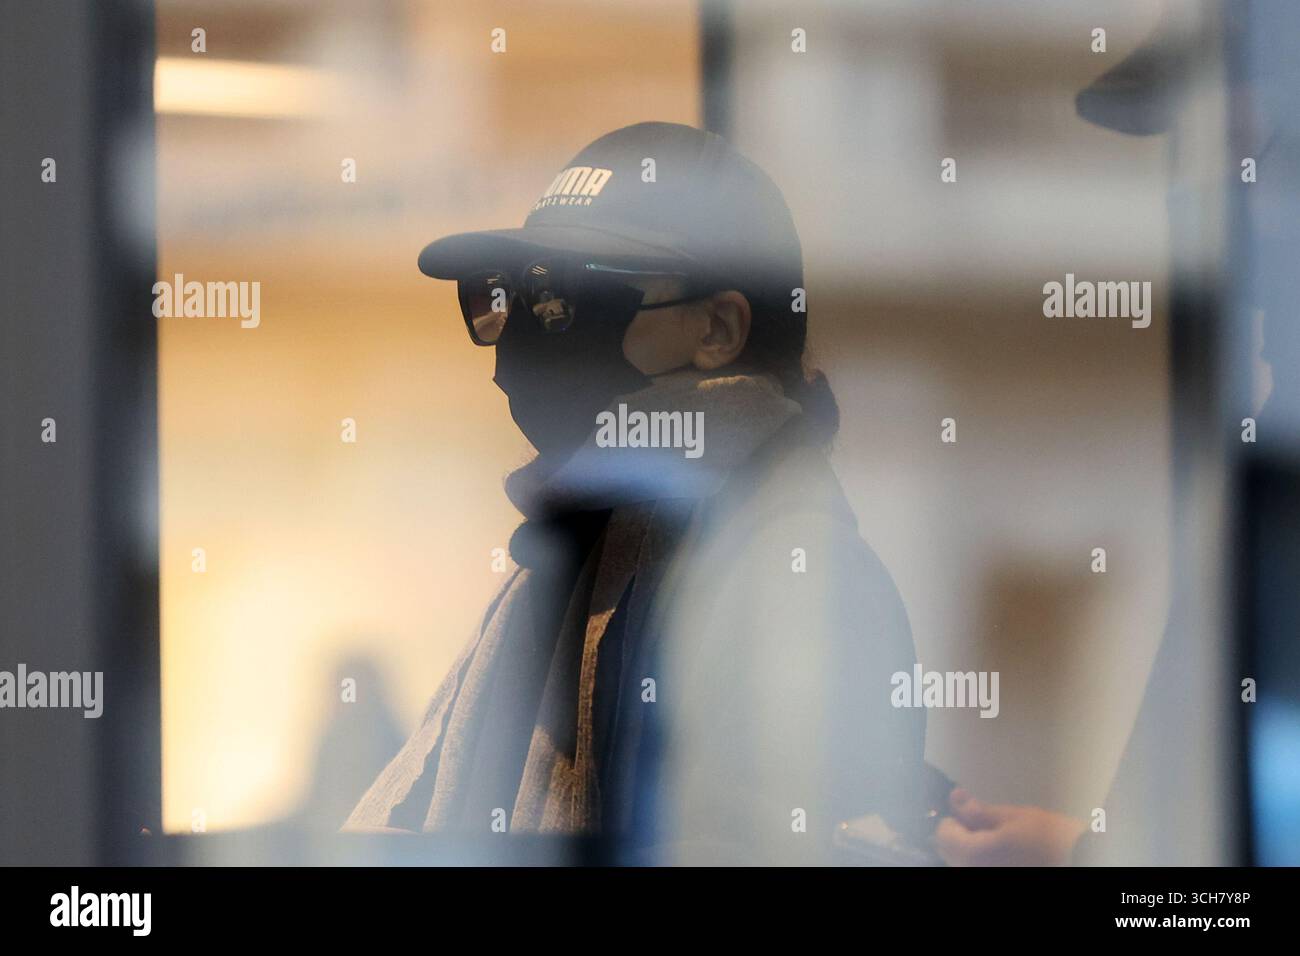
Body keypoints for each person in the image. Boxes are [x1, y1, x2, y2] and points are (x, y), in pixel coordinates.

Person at [343, 121, 929, 864]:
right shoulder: (575, 561)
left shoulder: (799, 582)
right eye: (516, 295)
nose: (525, 328)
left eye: (568, 298)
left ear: (717, 329)